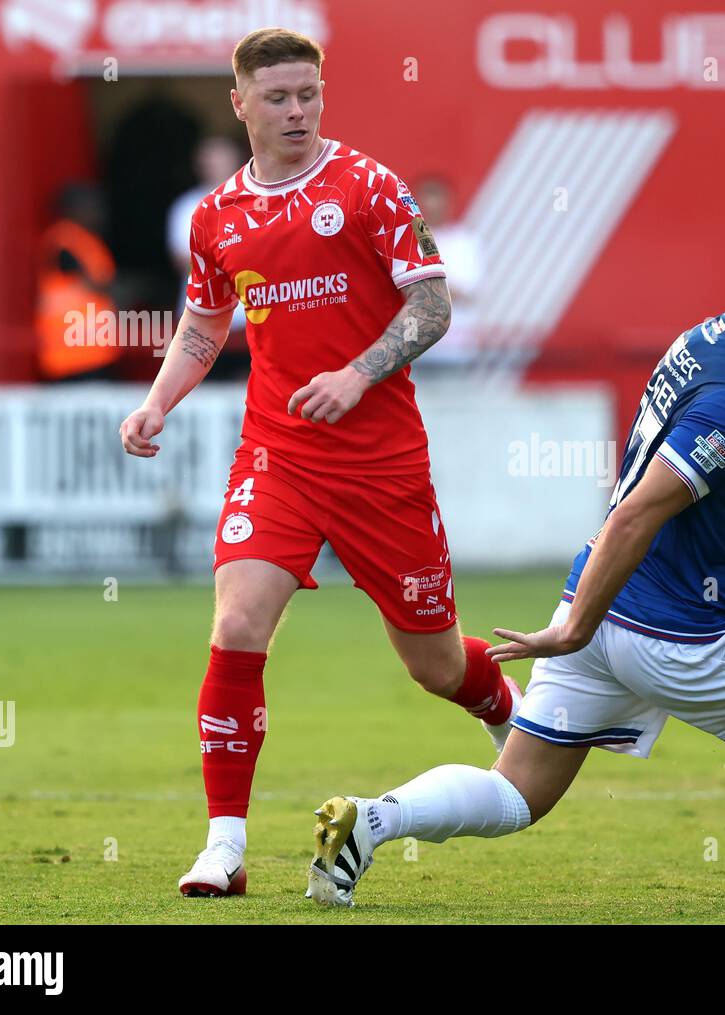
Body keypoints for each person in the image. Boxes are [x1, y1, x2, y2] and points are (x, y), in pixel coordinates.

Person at [307, 205, 725, 908]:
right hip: (674, 631)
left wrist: (583, 620)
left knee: (517, 791)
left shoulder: (703, 340)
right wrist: (572, 630)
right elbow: (637, 512)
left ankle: (370, 820)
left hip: (604, 601)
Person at [116, 27, 520, 898]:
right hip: (280, 454)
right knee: (236, 625)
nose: (296, 111)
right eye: (277, 98)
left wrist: (358, 370)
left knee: (436, 666)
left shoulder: (369, 187)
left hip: (382, 467)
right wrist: (157, 401)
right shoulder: (217, 215)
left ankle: (508, 712)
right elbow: (202, 324)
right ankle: (224, 846)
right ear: (240, 104)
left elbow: (433, 307)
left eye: (308, 94)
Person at [166, 136, 250, 380]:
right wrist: (234, 254)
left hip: (249, 315)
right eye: (207, 159)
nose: (213, 164)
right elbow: (182, 260)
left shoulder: (254, 201)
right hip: (201, 315)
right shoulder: (185, 206)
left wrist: (212, 254)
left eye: (219, 158)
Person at [35, 184, 122, 382]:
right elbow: (97, 284)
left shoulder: (86, 240)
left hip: (92, 349)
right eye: (92, 207)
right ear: (74, 209)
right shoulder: (64, 241)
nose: (99, 213)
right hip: (71, 351)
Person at [408, 175, 480, 367]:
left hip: (454, 348)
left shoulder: (463, 241)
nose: (431, 205)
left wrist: (418, 286)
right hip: (410, 348)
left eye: (436, 198)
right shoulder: (406, 238)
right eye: (426, 198)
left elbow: (464, 292)